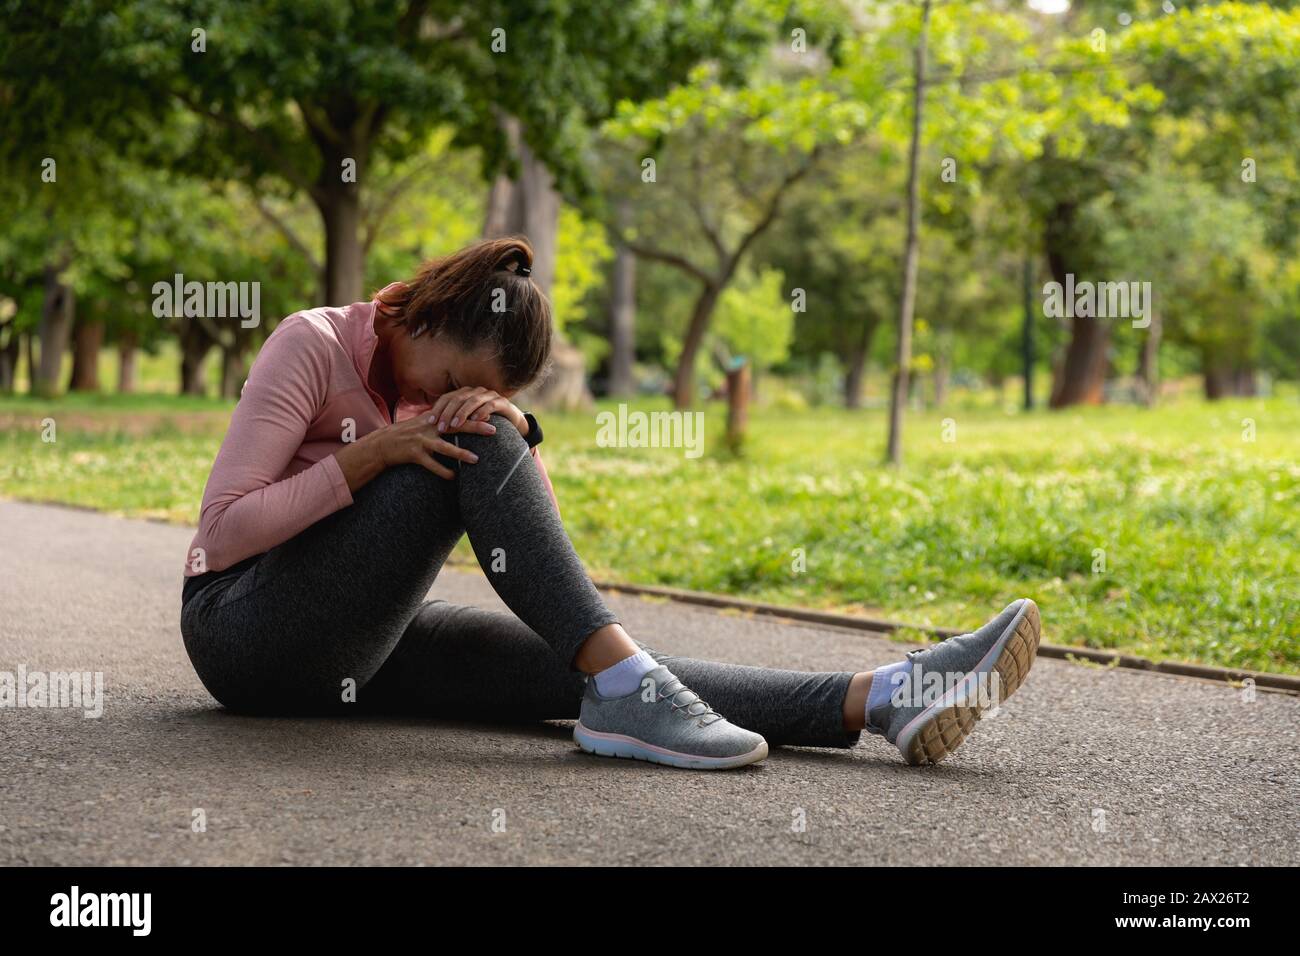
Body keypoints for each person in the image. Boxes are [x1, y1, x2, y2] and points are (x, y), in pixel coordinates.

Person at [179, 236, 1041, 771]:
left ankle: (885, 695)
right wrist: (370, 456)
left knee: (599, 662)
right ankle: (631, 689)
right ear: (417, 315)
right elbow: (221, 535)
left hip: (364, 648)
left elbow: (534, 559)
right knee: (492, 473)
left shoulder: (446, 398)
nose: (439, 402)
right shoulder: (312, 344)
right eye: (445, 382)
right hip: (245, 634)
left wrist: (513, 432)